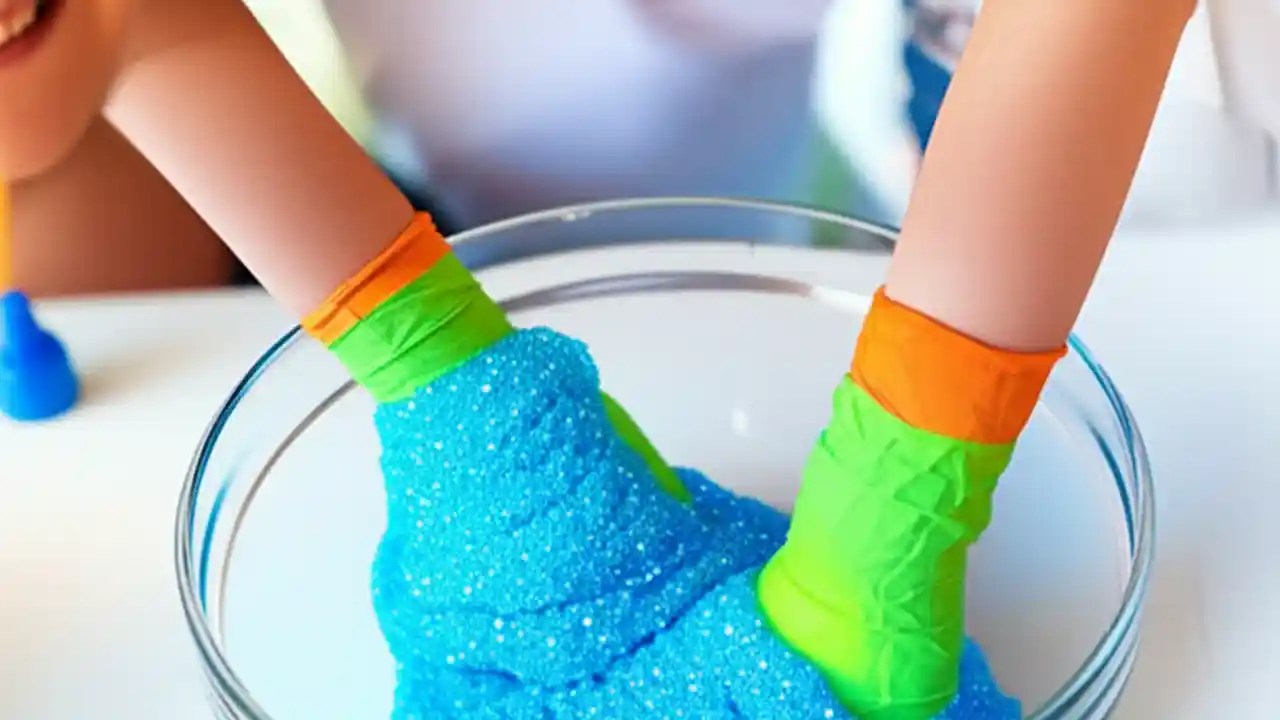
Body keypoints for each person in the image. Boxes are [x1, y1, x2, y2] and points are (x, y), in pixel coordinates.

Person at [0, 0, 1194, 715]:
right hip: (437, 215)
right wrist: (449, 383)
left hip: (920, 225)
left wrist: (895, 502)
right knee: (61, 205)